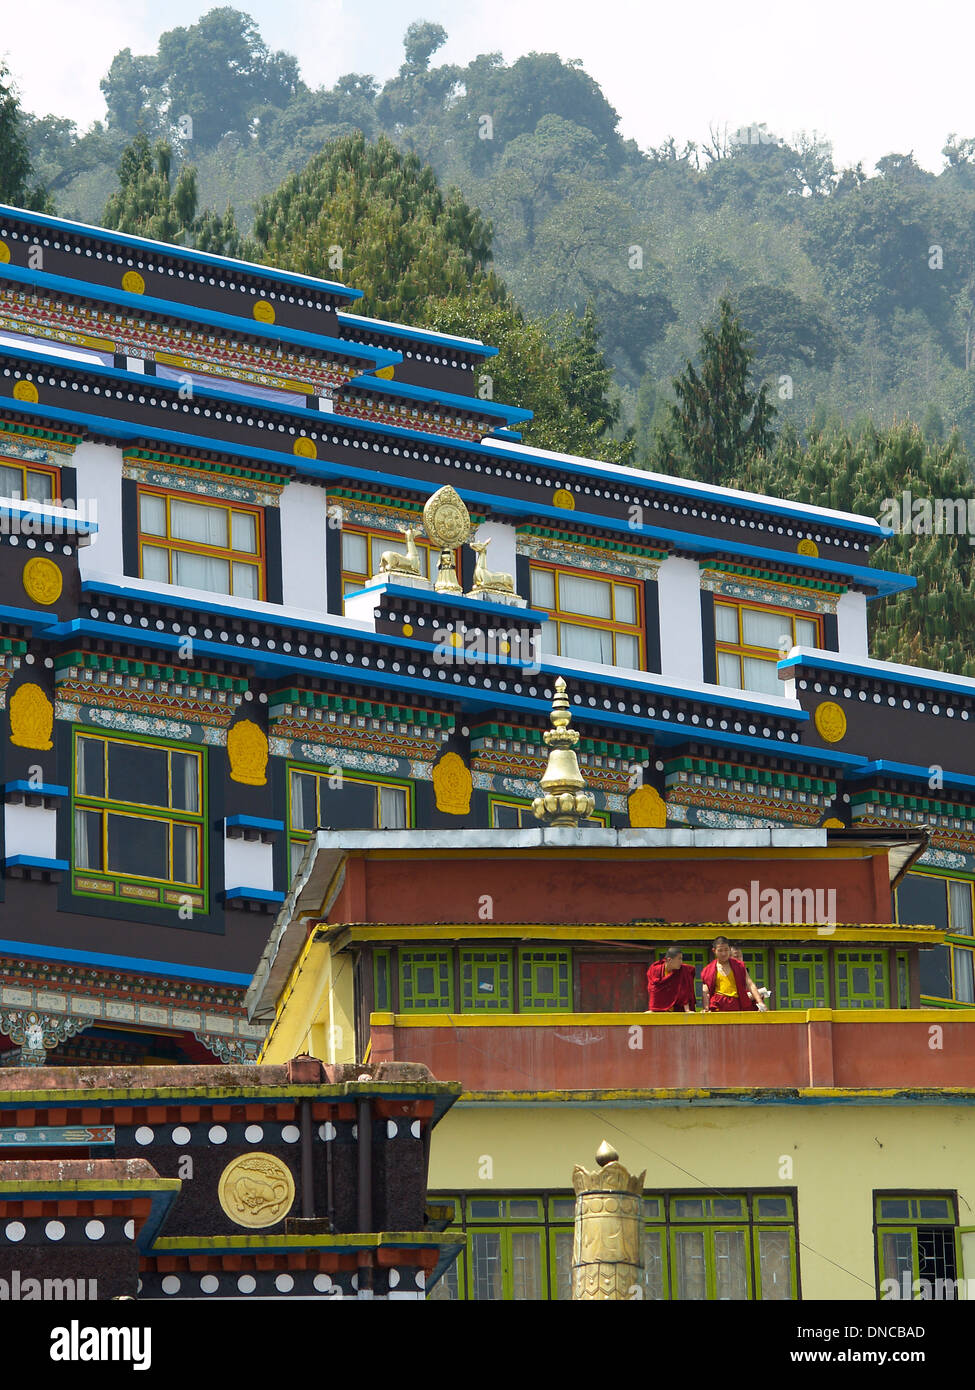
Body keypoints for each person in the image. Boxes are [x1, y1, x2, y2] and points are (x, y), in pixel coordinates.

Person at [702, 937, 767, 1012]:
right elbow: (706, 991)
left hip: (736, 1003)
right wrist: (706, 1008)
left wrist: (760, 1002)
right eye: (720, 950)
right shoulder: (708, 969)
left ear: (729, 949)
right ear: (714, 951)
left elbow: (750, 984)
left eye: (726, 950)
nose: (723, 953)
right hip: (718, 1004)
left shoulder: (739, 965)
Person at [646, 946, 696, 1013]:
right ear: (669, 960)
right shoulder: (656, 970)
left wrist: (687, 1010)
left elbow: (685, 991)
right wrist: (653, 1009)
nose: (681, 962)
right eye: (679, 959)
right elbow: (654, 990)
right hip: (660, 1009)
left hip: (676, 1008)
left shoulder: (683, 970)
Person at [730, 943, 768, 1012]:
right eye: (736, 956)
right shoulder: (724, 970)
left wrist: (759, 1001)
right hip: (731, 1002)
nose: (739, 959)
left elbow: (750, 985)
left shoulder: (742, 969)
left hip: (743, 1001)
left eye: (740, 956)